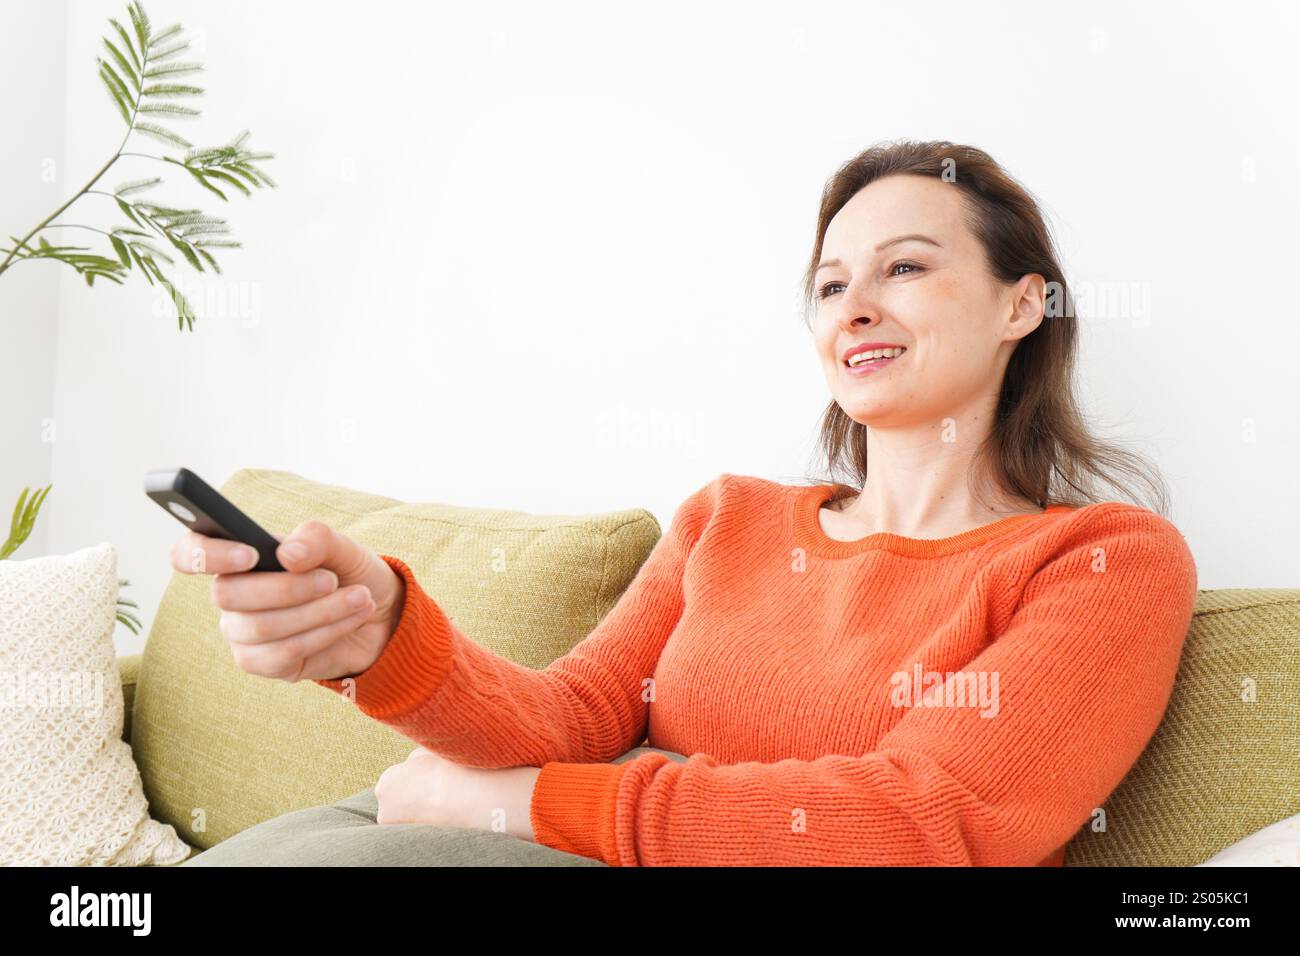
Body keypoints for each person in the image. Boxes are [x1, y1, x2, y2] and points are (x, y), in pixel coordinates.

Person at [175, 139, 1198, 867]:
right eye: (830, 283)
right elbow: (570, 716)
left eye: (906, 267)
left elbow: (926, 824)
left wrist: (521, 806)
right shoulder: (729, 518)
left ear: (1023, 302)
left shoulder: (1105, 557)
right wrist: (380, 631)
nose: (855, 305)